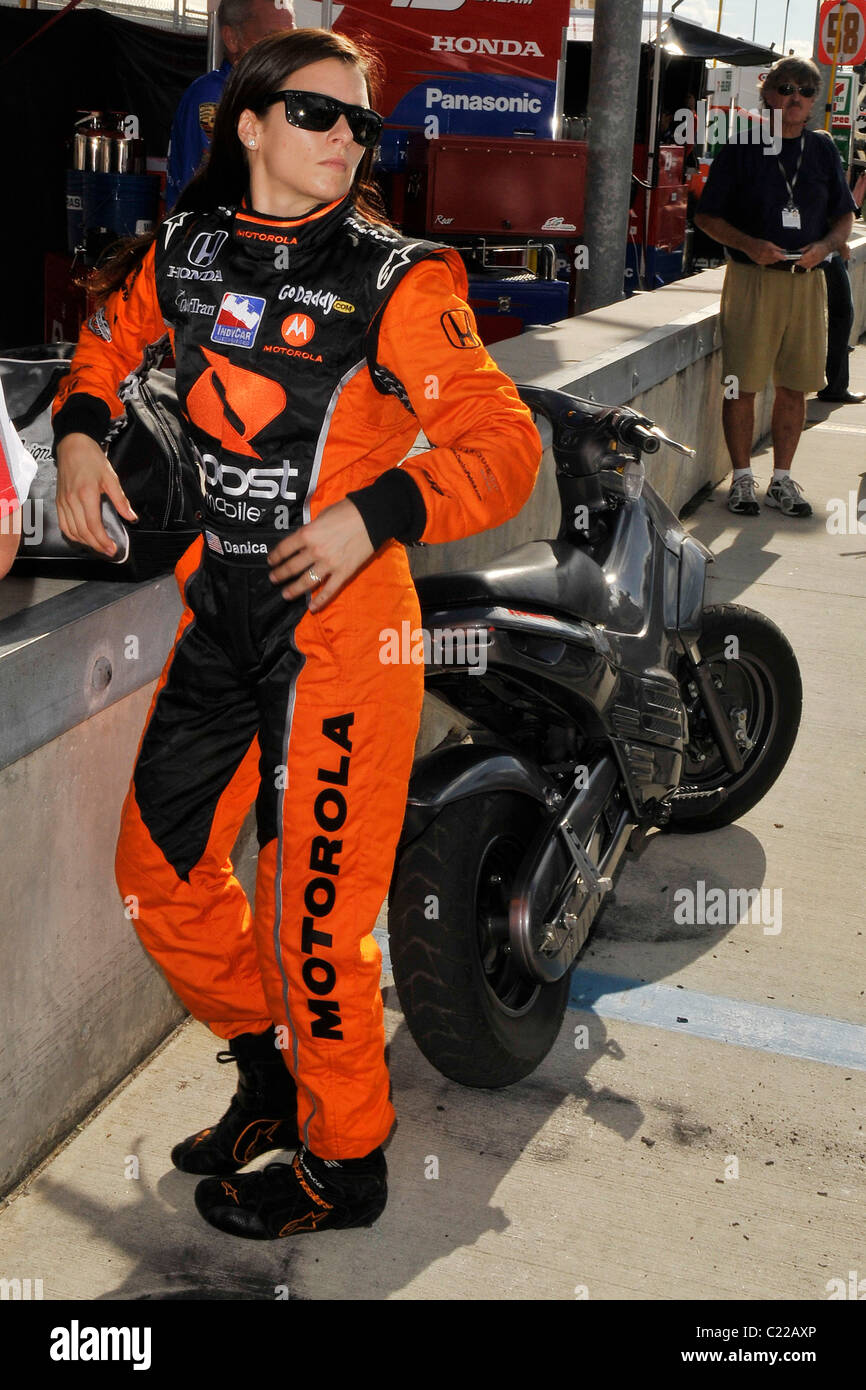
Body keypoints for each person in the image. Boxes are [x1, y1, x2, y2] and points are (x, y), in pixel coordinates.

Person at [52, 27, 541, 1241]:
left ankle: (347, 1157)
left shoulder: (399, 277)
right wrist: (73, 435)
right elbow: (105, 346)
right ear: (248, 124)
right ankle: (266, 1071)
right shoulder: (187, 247)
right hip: (217, 615)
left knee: (317, 916)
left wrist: (374, 515)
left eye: (360, 125)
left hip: (344, 632)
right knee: (157, 876)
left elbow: (503, 448)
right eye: (318, 116)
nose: (344, 142)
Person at [695, 57, 857, 518]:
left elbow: (844, 214)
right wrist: (750, 244)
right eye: (786, 88)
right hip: (752, 280)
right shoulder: (742, 147)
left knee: (795, 387)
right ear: (768, 93)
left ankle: (781, 480)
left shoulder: (823, 147)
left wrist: (827, 244)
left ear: (814, 101)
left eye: (806, 91)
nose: (796, 98)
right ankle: (742, 480)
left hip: (807, 282)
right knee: (741, 385)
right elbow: (706, 217)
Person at [166, 0, 295, 211]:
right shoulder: (214, 95)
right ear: (232, 38)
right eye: (272, 38)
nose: (287, 50)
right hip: (210, 237)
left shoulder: (275, 93)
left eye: (291, 38)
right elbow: (218, 187)